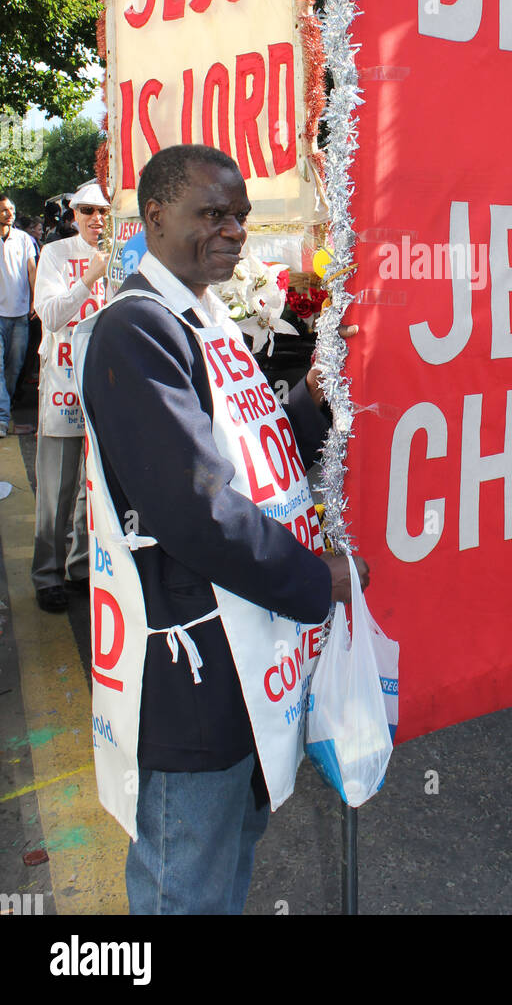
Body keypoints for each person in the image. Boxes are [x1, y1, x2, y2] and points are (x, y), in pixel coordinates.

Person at [77, 145, 368, 915]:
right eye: (212, 213)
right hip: (193, 673)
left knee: (227, 866)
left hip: (249, 662)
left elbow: (261, 456)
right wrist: (318, 579)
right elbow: (199, 508)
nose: (234, 229)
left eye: (239, 215)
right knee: (189, 889)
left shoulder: (206, 319)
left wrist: (312, 398)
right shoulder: (137, 331)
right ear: (155, 218)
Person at [31, 181, 111, 612]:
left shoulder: (124, 255)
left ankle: (80, 567)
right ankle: (47, 574)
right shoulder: (55, 255)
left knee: (91, 487)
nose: (96, 219)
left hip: (103, 389)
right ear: (73, 215)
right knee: (57, 490)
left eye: (103, 211)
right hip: (63, 385)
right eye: (87, 211)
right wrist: (88, 279)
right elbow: (53, 314)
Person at [0, 193, 37, 438]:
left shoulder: (24, 239)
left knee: (14, 369)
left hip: (21, 314)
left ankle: (5, 407)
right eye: (4, 209)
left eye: (11, 208)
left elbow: (32, 270)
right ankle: (2, 419)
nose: (9, 213)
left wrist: (37, 299)